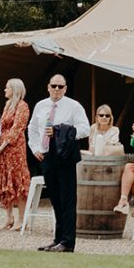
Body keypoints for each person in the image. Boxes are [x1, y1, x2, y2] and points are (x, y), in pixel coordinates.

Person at [27, 74, 90, 252]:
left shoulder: (73, 106)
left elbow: (84, 129)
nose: (56, 89)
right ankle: (58, 238)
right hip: (47, 154)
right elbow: (32, 128)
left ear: (65, 88)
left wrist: (62, 131)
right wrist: (35, 148)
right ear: (48, 87)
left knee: (67, 199)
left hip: (64, 153)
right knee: (54, 197)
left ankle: (68, 241)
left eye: (60, 86)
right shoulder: (41, 105)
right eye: (54, 86)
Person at [0, 78, 31, 229]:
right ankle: (9, 217)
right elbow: (0, 126)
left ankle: (21, 219)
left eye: (7, 87)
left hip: (15, 149)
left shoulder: (22, 106)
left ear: (14, 89)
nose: (4, 90)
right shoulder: (8, 105)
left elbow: (17, 128)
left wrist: (3, 145)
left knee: (17, 181)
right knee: (4, 181)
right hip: (3, 149)